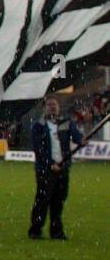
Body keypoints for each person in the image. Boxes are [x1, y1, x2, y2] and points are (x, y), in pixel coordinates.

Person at [28, 95, 81, 240]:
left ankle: (56, 232)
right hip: (45, 170)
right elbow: (39, 149)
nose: (52, 106)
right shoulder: (39, 125)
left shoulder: (66, 123)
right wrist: (51, 164)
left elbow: (77, 137)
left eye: (54, 104)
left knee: (58, 201)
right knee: (42, 200)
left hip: (62, 169)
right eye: (50, 104)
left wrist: (82, 139)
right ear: (45, 108)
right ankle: (35, 230)